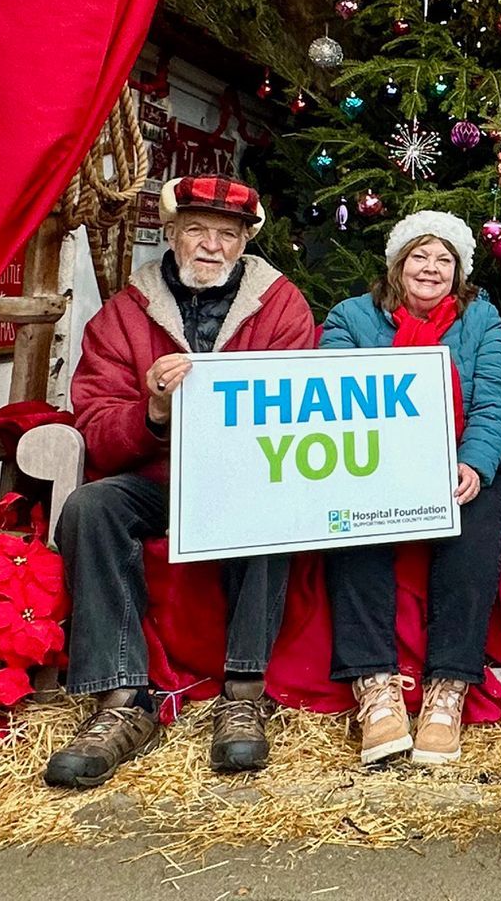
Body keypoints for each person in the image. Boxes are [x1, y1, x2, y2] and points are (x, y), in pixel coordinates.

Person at [46, 176, 317, 789]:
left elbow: (300, 409)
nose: (211, 246)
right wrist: (153, 415)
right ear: (170, 233)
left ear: (246, 241)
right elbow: (96, 423)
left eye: (227, 234)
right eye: (196, 230)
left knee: (281, 506)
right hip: (156, 477)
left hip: (248, 481)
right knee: (90, 507)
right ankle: (123, 701)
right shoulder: (124, 313)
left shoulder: (281, 307)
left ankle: (244, 694)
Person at [316, 211, 501, 766]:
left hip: (456, 460)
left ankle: (447, 689)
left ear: (458, 273)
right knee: (350, 520)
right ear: (398, 265)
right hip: (373, 465)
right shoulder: (351, 318)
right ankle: (375, 684)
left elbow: (499, 398)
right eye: (420, 256)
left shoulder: (482, 321)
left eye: (444, 259)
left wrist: (474, 463)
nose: (431, 268)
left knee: (477, 524)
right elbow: (330, 393)